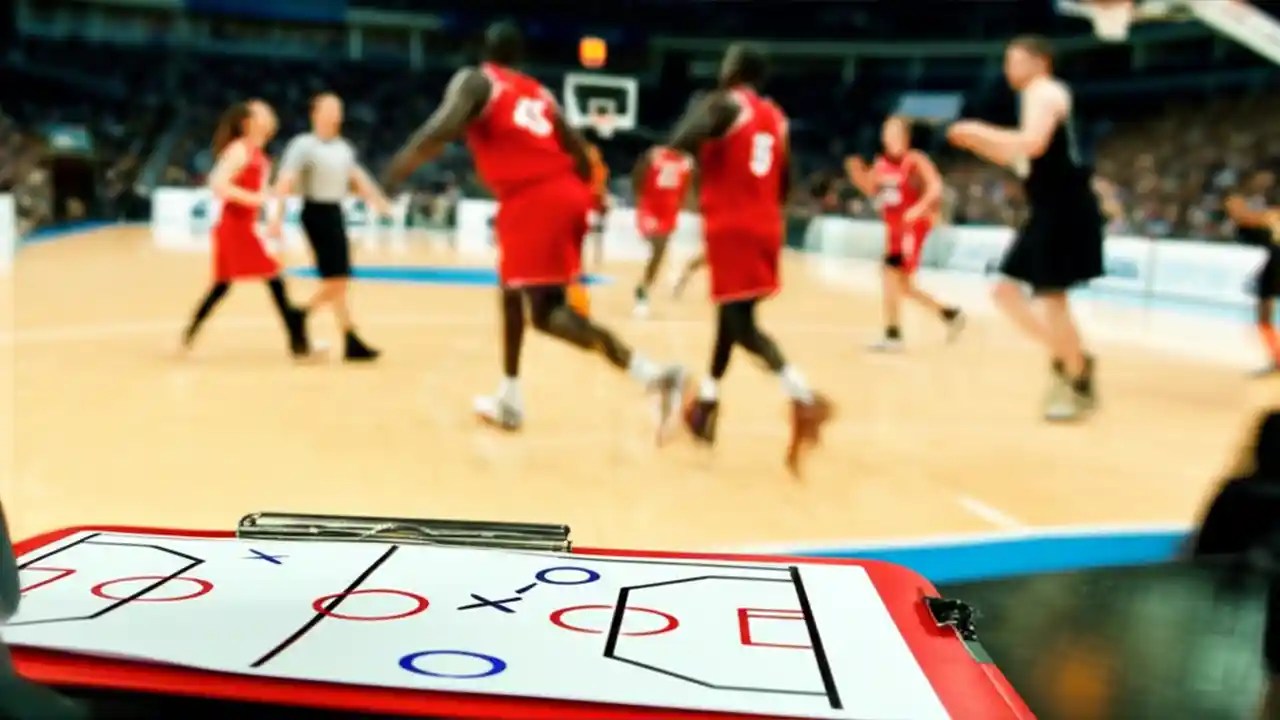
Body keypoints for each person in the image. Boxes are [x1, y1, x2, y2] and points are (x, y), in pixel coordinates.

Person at [382, 22, 686, 436]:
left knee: (545, 313)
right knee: (515, 292)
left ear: (483, 53)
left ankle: (653, 376)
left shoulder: (477, 81)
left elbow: (443, 128)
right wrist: (586, 197)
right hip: (557, 194)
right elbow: (578, 150)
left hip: (535, 197)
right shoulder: (538, 92)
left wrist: (398, 168)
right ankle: (510, 396)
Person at [669, 43, 832, 475]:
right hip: (765, 224)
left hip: (732, 224)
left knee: (742, 327)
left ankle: (804, 398)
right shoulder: (776, 118)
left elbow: (682, 139)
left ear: (734, 69)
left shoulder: (725, 104)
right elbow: (785, 181)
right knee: (730, 318)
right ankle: (707, 405)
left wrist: (697, 116)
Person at [947, 35, 1102, 422]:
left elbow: (1031, 144)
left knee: (1050, 298)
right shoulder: (1036, 96)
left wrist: (979, 131)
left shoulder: (1044, 91)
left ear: (1039, 61)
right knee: (1006, 292)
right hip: (1050, 206)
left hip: (1064, 206)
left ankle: (1077, 378)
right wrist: (975, 143)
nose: (1008, 69)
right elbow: (1017, 155)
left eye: (1014, 60)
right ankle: (1073, 359)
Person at [180, 100, 316, 361]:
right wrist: (254, 199)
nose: (269, 115)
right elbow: (217, 183)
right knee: (274, 280)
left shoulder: (260, 156)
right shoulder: (239, 150)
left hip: (243, 227)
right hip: (233, 227)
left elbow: (261, 194)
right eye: (262, 113)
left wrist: (270, 214)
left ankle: (189, 333)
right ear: (248, 123)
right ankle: (299, 345)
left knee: (222, 285)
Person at [273, 92, 391, 362]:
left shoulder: (344, 148)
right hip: (315, 212)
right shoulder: (303, 145)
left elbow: (358, 177)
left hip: (335, 211)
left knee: (335, 279)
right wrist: (276, 218)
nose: (336, 113)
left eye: (338, 108)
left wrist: (378, 201)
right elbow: (286, 179)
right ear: (315, 113)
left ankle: (350, 339)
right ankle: (300, 314)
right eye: (329, 108)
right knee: (340, 277)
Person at [845, 116, 964, 351]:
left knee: (892, 277)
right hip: (894, 232)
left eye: (895, 132)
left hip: (912, 229)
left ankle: (893, 334)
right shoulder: (880, 164)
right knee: (903, 286)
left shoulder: (915, 160)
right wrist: (857, 175)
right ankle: (949, 313)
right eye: (887, 132)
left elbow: (936, 187)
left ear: (906, 137)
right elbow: (874, 192)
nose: (890, 137)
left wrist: (918, 210)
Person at [1224, 168, 1280, 376]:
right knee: (1264, 317)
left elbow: (1249, 218)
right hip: (1273, 262)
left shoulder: (1269, 216)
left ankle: (1277, 360)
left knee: (1264, 316)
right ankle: (1277, 359)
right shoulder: (1269, 217)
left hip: (1276, 264)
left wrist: (1238, 208)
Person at [631, 145, 694, 318]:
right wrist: (639, 198)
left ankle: (643, 289)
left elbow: (686, 188)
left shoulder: (686, 163)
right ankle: (644, 289)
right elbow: (638, 176)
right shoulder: (654, 155)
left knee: (659, 255)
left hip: (669, 212)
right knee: (658, 246)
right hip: (650, 209)